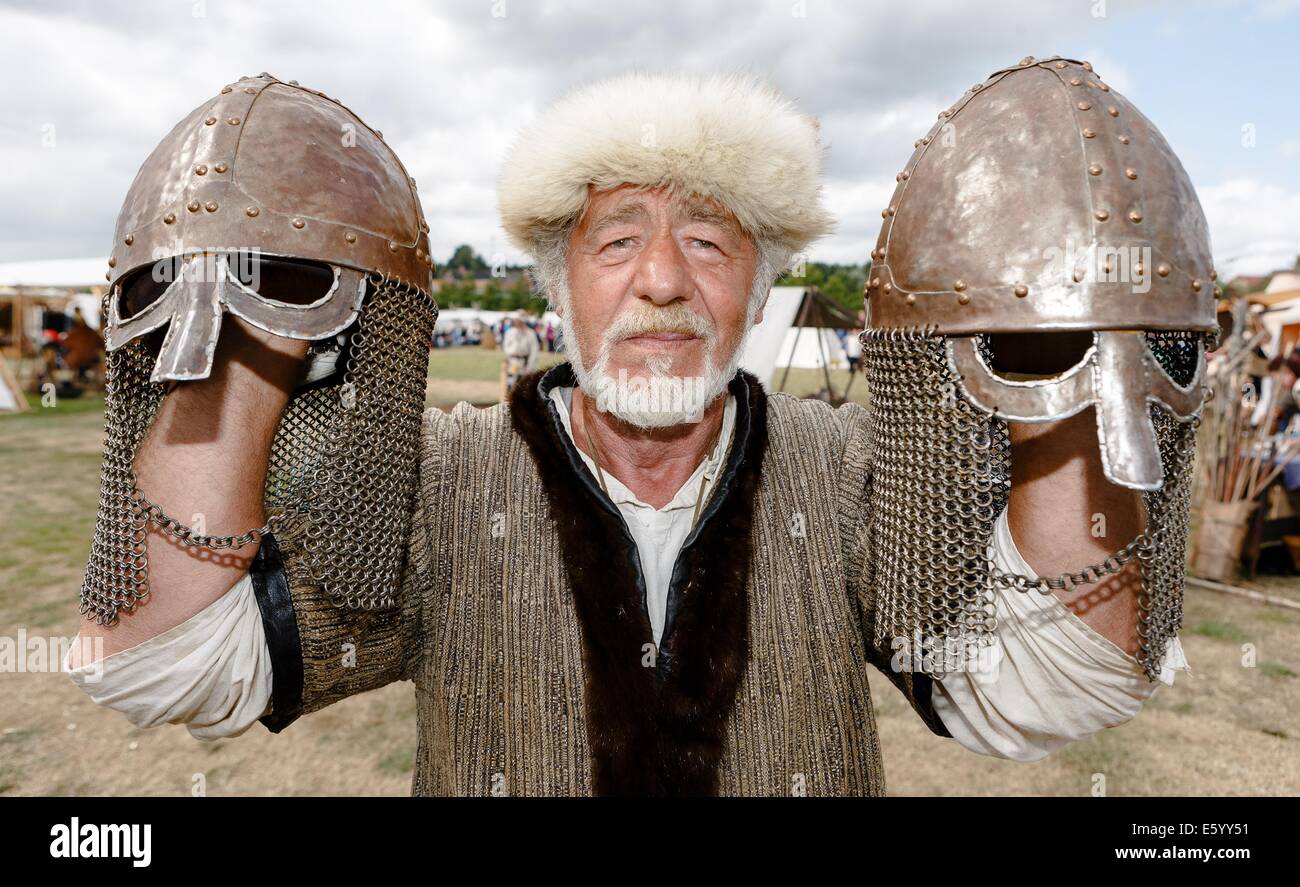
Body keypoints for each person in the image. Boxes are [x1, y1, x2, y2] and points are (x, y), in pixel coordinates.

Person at [70, 68, 1193, 796]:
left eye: (708, 242)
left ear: (760, 292)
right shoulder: (441, 482)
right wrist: (248, 335)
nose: (662, 279)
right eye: (616, 242)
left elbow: (1046, 688)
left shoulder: (852, 472)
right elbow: (164, 665)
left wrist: (1069, 371)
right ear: (560, 292)